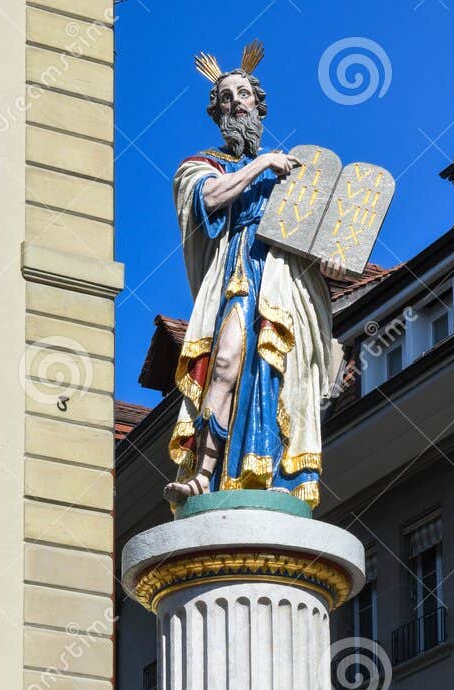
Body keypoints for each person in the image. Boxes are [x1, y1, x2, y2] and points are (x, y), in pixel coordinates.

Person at [165, 43, 343, 509]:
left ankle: (274, 478)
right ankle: (203, 476)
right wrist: (263, 163)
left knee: (283, 375)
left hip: (286, 279)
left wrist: (334, 259)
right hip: (237, 270)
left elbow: (316, 236)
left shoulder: (296, 174)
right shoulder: (202, 164)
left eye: (243, 93)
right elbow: (210, 199)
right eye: (226, 97)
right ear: (217, 111)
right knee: (223, 364)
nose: (236, 102)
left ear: (257, 105)